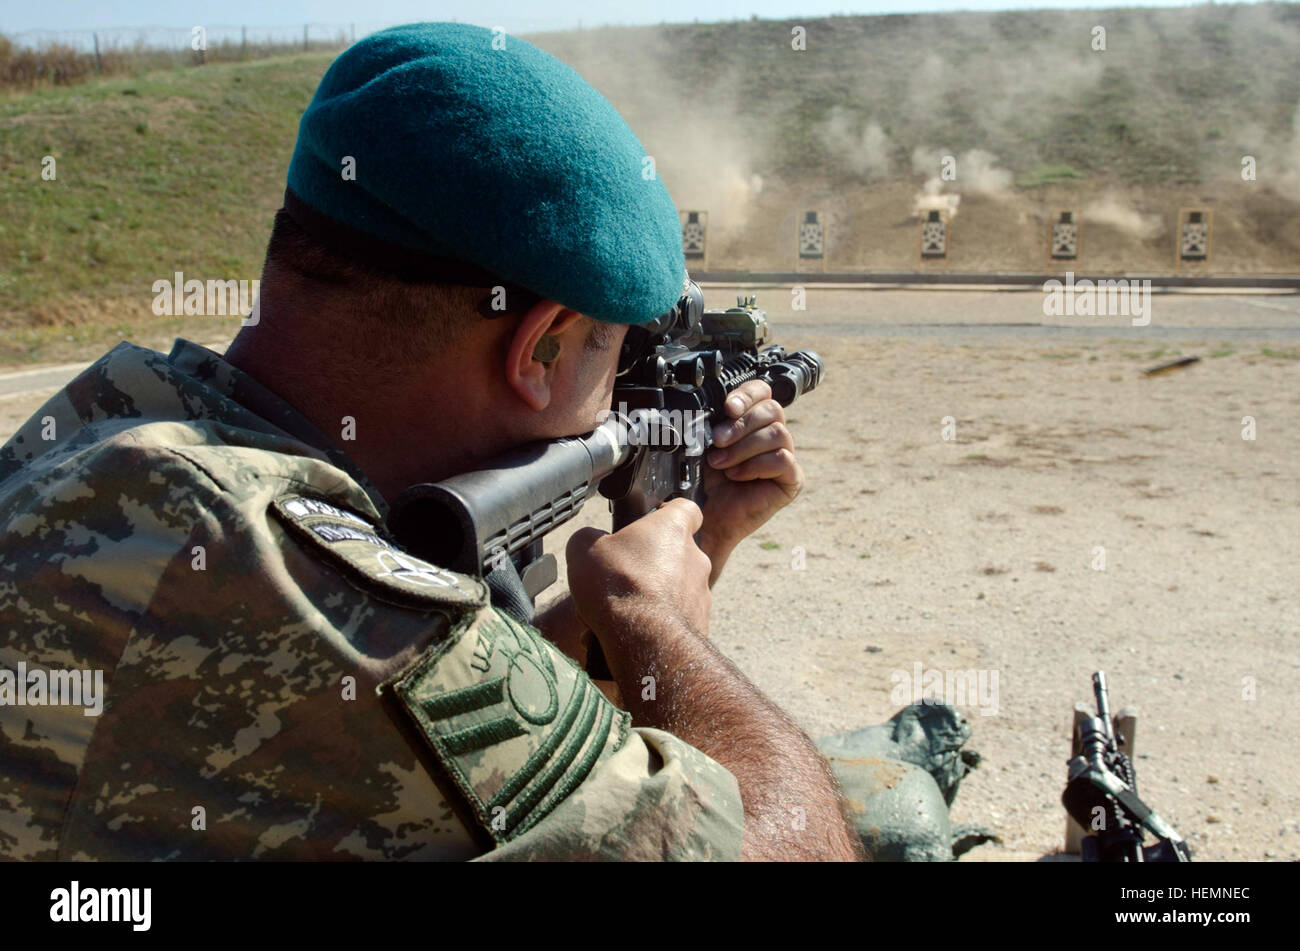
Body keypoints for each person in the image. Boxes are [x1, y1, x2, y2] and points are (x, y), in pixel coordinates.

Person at [0, 22, 861, 862]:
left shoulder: (105, 429)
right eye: (615, 353)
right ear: (544, 345)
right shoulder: (280, 573)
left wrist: (700, 539)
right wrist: (659, 623)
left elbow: (459, 714)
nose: (609, 406)